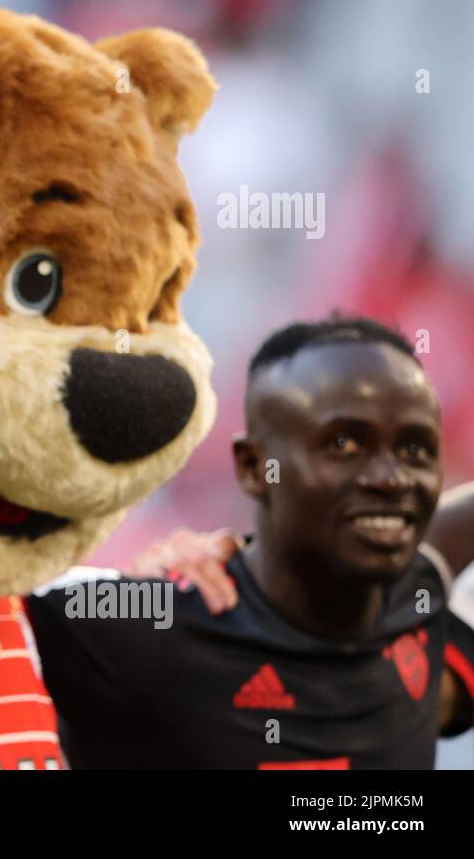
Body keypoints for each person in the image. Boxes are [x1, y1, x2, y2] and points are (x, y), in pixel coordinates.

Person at [27, 317, 474, 768]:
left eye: (416, 449)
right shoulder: (139, 625)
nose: (391, 478)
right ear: (253, 467)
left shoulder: (424, 596)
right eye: (344, 444)